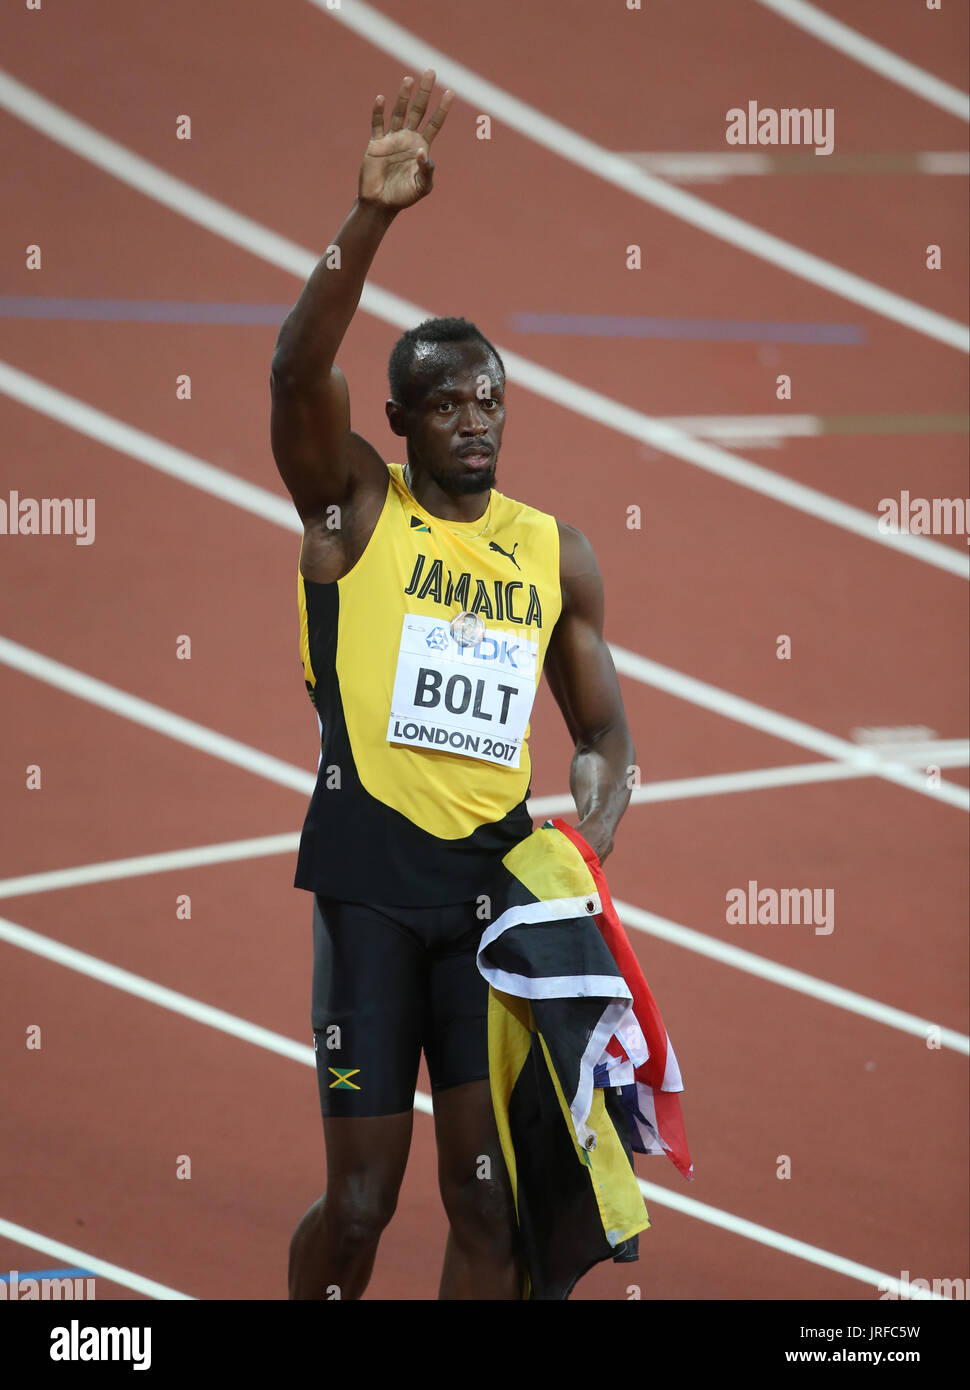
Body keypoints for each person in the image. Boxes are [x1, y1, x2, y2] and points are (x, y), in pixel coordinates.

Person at [270, 69, 636, 1301]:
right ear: (399, 420)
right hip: (371, 884)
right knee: (364, 1204)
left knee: (490, 1202)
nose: (475, 421)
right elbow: (289, 376)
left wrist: (599, 791)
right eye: (446, 403)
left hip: (490, 899)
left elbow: (601, 725)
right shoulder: (354, 510)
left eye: (489, 400)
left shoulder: (552, 551)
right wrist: (366, 218)